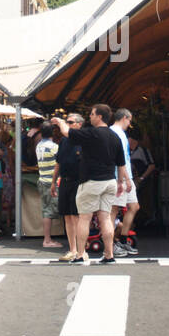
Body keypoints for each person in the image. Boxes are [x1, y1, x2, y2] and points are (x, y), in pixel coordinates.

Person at [57, 105, 127, 264]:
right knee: (105, 218)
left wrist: (60, 121)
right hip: (110, 181)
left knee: (84, 218)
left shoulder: (92, 133)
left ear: (100, 116)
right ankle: (109, 254)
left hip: (91, 181)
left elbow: (67, 132)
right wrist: (121, 182)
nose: (90, 116)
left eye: (92, 114)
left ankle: (80, 254)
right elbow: (121, 164)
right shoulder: (115, 137)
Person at [51, 113, 84, 262]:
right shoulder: (64, 141)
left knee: (76, 216)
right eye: (67, 122)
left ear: (79, 124)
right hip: (65, 180)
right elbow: (58, 162)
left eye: (70, 122)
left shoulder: (83, 140)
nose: (68, 125)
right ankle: (72, 249)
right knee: (67, 216)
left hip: (79, 181)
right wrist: (53, 181)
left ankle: (81, 249)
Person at [110, 108, 140, 255]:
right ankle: (111, 245)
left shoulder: (118, 133)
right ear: (125, 118)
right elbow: (120, 159)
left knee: (134, 206)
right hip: (119, 176)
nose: (130, 123)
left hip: (123, 175)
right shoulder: (118, 134)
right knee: (113, 211)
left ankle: (122, 240)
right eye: (129, 120)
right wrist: (124, 179)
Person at [35, 122, 62, 249]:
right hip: (52, 182)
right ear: (53, 133)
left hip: (42, 180)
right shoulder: (54, 147)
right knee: (49, 211)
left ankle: (47, 239)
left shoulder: (39, 145)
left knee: (46, 210)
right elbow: (60, 163)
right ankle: (47, 240)